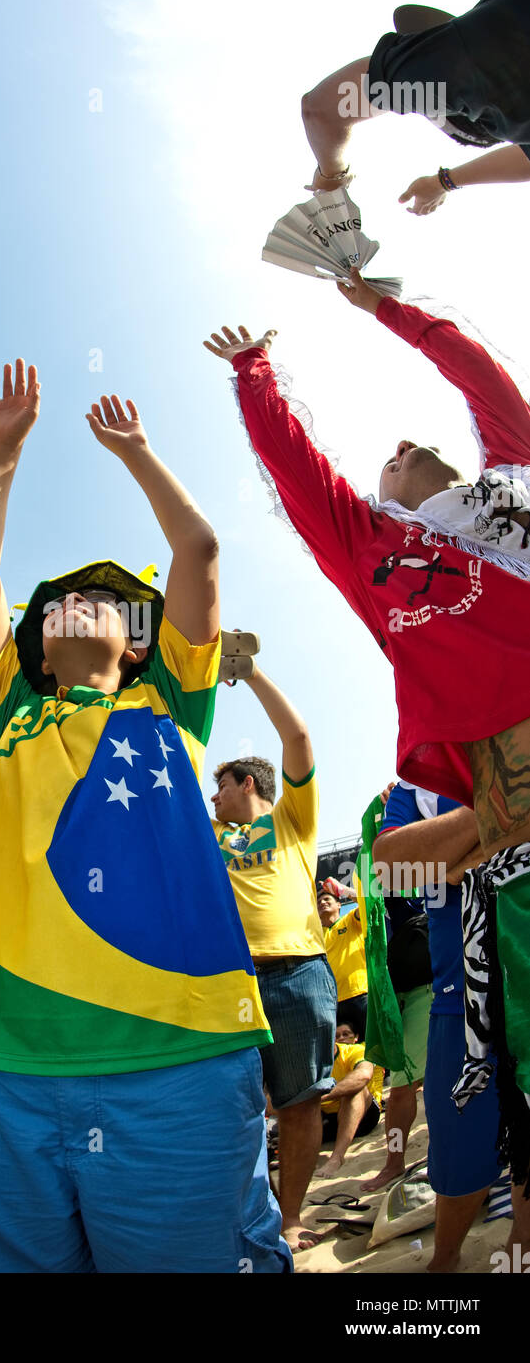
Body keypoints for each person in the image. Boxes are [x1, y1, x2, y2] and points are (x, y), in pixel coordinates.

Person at [0, 362, 289, 1274]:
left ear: (140, 642)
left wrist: (138, 452)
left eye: (110, 602)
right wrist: (2, 452)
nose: (76, 604)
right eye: (56, 604)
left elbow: (196, 551)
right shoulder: (4, 719)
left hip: (178, 1046)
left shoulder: (170, 706)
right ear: (33, 646)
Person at [204, 273, 530, 1190]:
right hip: (498, 787)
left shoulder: (518, 473)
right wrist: (253, 372)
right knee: (399, 864)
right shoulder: (374, 554)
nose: (397, 448)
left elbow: (478, 376)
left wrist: (379, 305)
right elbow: (299, 473)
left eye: (409, 447)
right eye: (385, 465)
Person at [372, 782, 527, 1271]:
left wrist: (451, 860)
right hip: (458, 994)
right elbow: (391, 868)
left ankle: (518, 1249)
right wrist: (502, 813)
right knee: (458, 1151)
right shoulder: (418, 780)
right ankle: (446, 1257)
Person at [211, 688, 334, 1254]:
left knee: (301, 1103)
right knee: (231, 1113)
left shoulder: (292, 819)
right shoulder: (210, 838)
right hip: (227, 986)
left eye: (222, 785)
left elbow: (299, 738)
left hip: (299, 975)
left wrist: (252, 672)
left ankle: (288, 1220)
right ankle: (241, 1222)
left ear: (248, 785)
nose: (214, 797)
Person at [300, 0, 530, 212]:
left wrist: (332, 180)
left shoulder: (451, 71)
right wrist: (331, 177)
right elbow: (319, 112)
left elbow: (320, 110)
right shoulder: (458, 69)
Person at [316, 1018, 383, 1178]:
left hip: (364, 1115)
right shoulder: (309, 1061)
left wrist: (322, 1096)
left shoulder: (355, 1050)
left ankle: (336, 1158)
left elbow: (363, 1075)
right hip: (327, 1119)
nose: (341, 1037)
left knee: (354, 1089)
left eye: (345, 1034)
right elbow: (271, 1104)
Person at [317, 877, 368, 1036]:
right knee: (343, 1054)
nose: (322, 903)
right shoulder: (315, 935)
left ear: (339, 905)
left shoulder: (351, 920)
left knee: (371, 1046)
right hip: (332, 1004)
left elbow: (368, 901)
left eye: (327, 899)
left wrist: (341, 890)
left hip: (360, 995)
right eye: (319, 902)